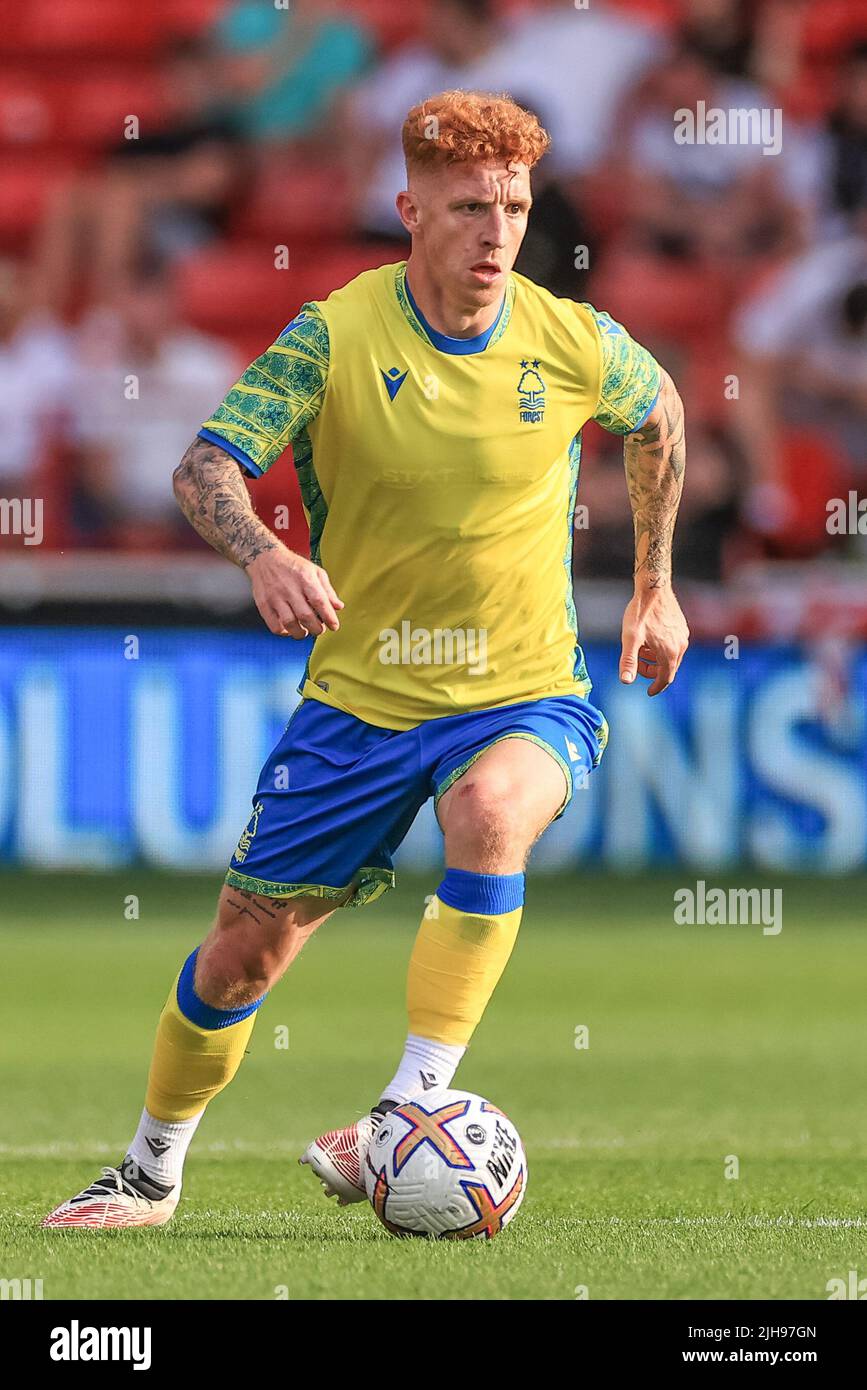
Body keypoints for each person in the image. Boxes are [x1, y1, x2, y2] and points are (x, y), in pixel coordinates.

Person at [42, 90, 688, 1230]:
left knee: (491, 811)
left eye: (516, 208)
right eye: (471, 208)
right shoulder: (333, 336)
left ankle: (406, 1109)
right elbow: (204, 469)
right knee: (244, 954)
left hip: (524, 689)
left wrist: (653, 586)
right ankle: (148, 1173)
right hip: (361, 703)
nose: (497, 235)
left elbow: (662, 417)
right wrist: (261, 554)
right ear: (409, 209)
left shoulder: (570, 337)